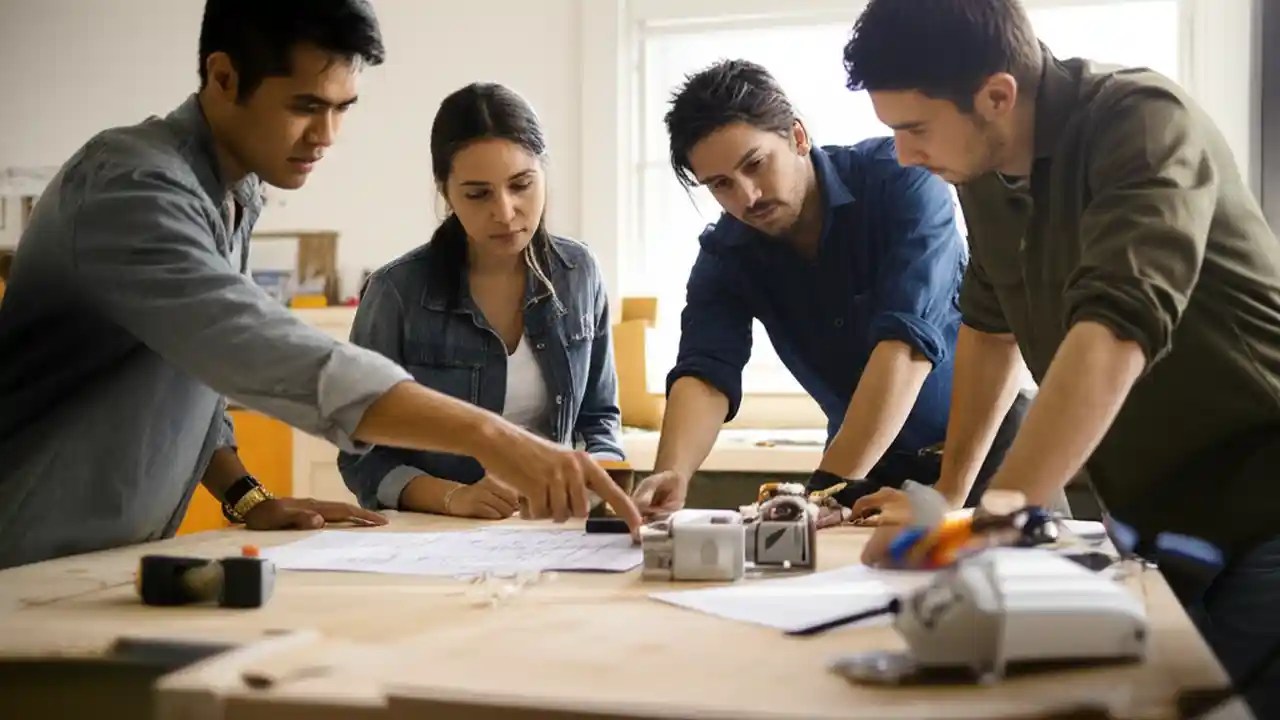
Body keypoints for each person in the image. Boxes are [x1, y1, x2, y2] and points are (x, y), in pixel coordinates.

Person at [0, 0, 639, 570]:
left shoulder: (232, 194)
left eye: (341, 109)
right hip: (25, 555)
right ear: (223, 78)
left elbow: (192, 378)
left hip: (105, 560)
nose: (326, 137)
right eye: (305, 107)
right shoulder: (132, 188)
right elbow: (259, 350)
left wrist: (247, 497)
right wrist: (493, 437)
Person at [841, 1, 1280, 715]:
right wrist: (957, 495)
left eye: (914, 129)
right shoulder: (979, 172)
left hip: (1264, 502)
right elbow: (990, 325)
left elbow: (1116, 329)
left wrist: (1003, 516)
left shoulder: (1141, 122)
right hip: (1157, 521)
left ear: (996, 96)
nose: (903, 155)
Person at [630, 59, 1030, 519]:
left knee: (1032, 585)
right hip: (864, 467)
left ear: (798, 137)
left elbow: (906, 345)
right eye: (721, 185)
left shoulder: (904, 181)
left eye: (756, 165)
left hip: (991, 449)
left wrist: (820, 492)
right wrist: (673, 471)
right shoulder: (726, 255)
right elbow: (705, 371)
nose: (747, 197)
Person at [338, 83, 624, 519]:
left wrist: (594, 478)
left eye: (521, 185)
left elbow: (599, 418)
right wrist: (452, 496)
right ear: (446, 192)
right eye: (478, 194)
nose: (506, 212)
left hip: (551, 529)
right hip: (434, 533)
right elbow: (359, 452)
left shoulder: (578, 273)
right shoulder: (396, 292)